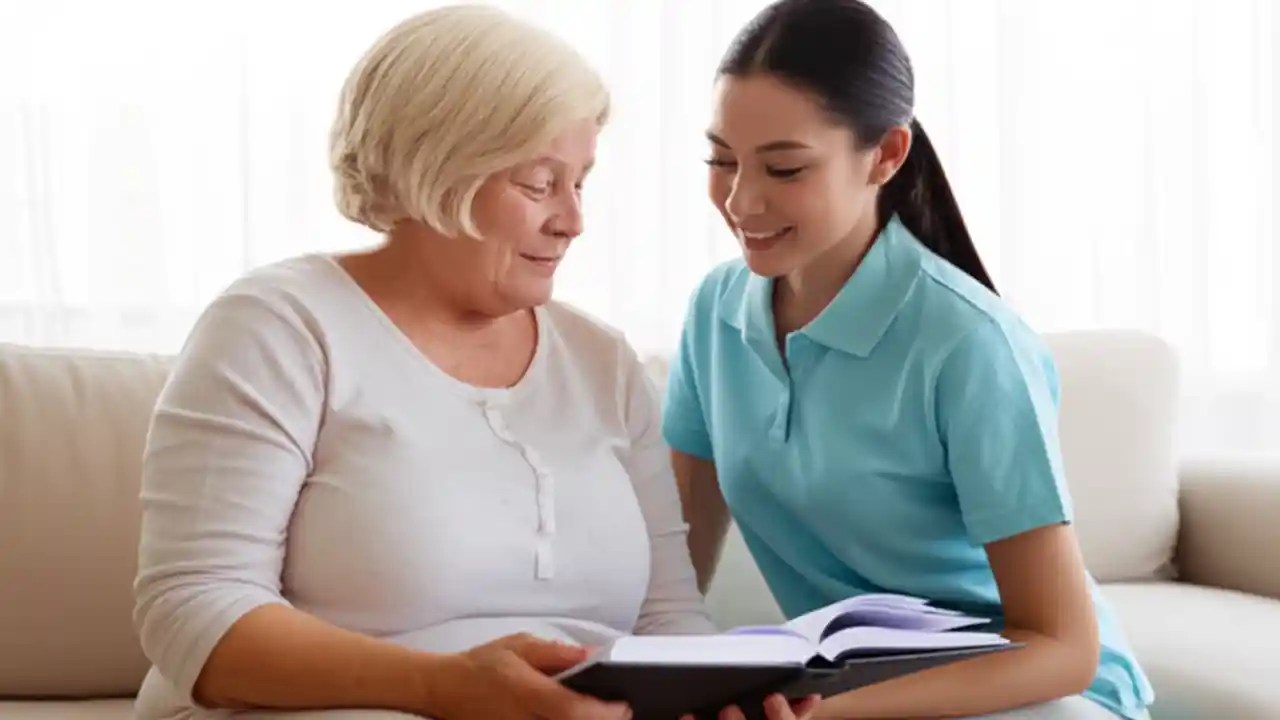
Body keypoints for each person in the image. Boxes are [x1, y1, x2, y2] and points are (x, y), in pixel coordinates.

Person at [131, 6, 817, 720]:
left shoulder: (600, 361)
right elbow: (194, 610)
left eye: (580, 182)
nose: (573, 220)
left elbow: (666, 618)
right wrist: (443, 688)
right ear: (439, 165)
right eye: (538, 183)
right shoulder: (280, 325)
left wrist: (718, 696)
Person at [662, 1, 1156, 719]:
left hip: (1034, 697)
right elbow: (672, 580)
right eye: (721, 159)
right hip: (835, 696)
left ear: (886, 155)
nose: (741, 199)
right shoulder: (714, 314)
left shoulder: (968, 343)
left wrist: (820, 716)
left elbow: (1061, 648)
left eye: (785, 167)